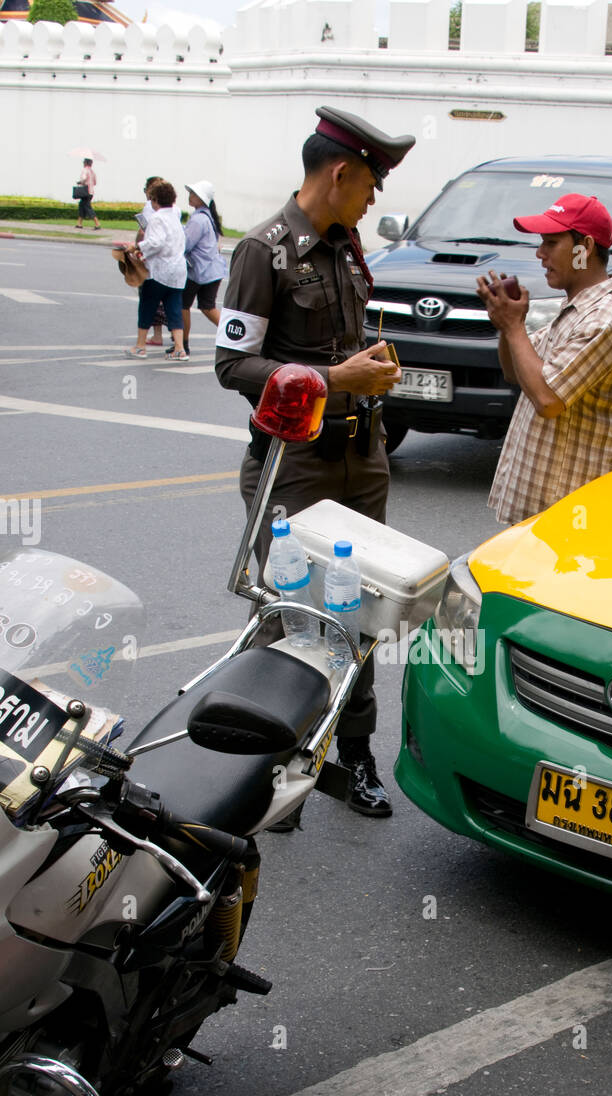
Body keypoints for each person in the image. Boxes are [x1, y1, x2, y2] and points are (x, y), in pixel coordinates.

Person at [215, 106, 415, 817]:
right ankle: (270, 765)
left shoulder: (345, 248)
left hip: (360, 459)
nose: (372, 200)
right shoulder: (263, 251)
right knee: (291, 616)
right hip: (293, 465)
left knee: (361, 612)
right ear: (341, 173)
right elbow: (233, 364)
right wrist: (335, 379)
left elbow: (343, 345)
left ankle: (351, 757)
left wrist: (368, 375)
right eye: (370, 186)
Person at [478, 193, 612, 527]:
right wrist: (506, 324)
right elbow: (515, 371)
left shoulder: (604, 320)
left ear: (584, 248)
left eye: (551, 243)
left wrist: (513, 327)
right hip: (546, 515)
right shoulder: (574, 312)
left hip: (569, 521)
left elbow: (547, 398)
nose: (540, 255)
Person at [125, 180, 189, 361]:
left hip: (160, 271)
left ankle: (140, 347)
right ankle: (179, 348)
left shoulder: (157, 218)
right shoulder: (175, 216)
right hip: (178, 272)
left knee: (147, 306)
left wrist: (138, 247)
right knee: (174, 309)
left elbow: (156, 243)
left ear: (154, 200)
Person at [182, 180, 228, 358]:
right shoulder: (207, 216)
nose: (190, 196)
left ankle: (183, 344)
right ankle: (233, 338)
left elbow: (186, 244)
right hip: (211, 271)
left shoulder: (199, 219)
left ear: (202, 199)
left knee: (182, 305)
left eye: (194, 194)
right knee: (208, 307)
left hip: (199, 272)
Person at [136, 175, 169, 347]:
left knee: (148, 301)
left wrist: (138, 247)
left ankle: (141, 344)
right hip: (168, 264)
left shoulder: (151, 209)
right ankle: (174, 340)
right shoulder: (173, 211)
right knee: (166, 302)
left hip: (153, 261)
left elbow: (147, 235)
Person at [74, 158, 101, 232]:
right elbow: (95, 182)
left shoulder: (85, 170)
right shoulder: (92, 172)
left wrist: (80, 182)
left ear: (85, 163)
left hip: (85, 191)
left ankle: (97, 223)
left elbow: (84, 178)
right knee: (82, 206)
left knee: (88, 208)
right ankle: (79, 223)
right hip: (91, 192)